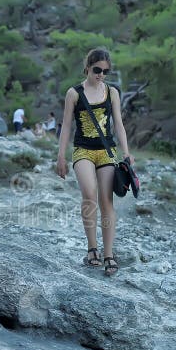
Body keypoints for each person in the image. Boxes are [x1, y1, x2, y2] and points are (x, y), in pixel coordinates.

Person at [55, 47, 133, 277]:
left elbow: (118, 124)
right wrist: (61, 156)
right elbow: (67, 126)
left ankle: (108, 254)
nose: (101, 74)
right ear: (88, 67)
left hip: (107, 151)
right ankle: (92, 248)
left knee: (106, 201)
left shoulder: (112, 92)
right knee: (89, 195)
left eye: (105, 71)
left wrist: (126, 153)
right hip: (83, 151)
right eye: (97, 69)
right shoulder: (74, 93)